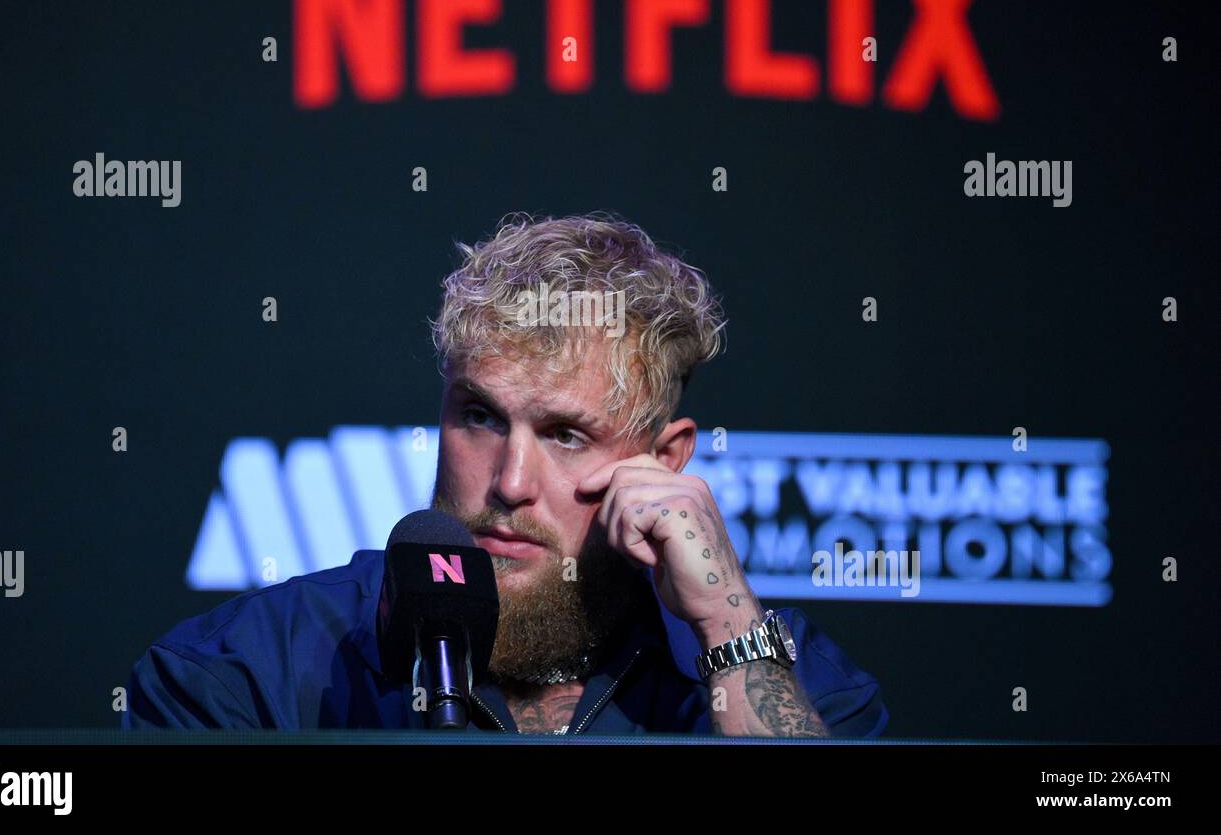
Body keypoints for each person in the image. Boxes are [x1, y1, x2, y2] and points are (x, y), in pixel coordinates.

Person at [123, 213, 888, 736]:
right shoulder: (248, 674)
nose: (510, 482)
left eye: (564, 433)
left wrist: (725, 624)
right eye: (481, 417)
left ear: (665, 462)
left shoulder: (792, 678)